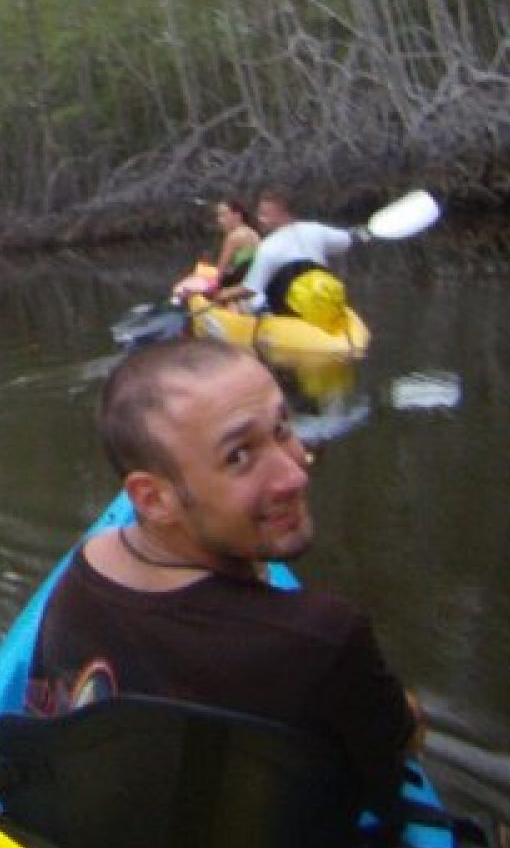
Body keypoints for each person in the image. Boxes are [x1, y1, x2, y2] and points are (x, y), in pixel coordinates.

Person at [26, 334, 419, 815]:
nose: (295, 474)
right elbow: (397, 750)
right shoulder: (323, 637)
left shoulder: (85, 568)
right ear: (152, 499)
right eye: (238, 456)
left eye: (282, 429)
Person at [215, 187, 363, 320]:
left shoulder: (268, 248)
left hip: (288, 313)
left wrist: (221, 295)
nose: (260, 219)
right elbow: (346, 241)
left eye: (265, 214)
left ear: (283, 214)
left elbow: (250, 289)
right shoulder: (317, 230)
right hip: (320, 305)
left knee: (245, 304)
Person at [169, 196, 261, 300]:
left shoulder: (234, 237)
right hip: (250, 282)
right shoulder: (253, 233)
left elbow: (219, 274)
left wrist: (201, 285)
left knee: (179, 289)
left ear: (237, 215)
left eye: (223, 215)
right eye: (219, 216)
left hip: (240, 285)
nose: (220, 220)